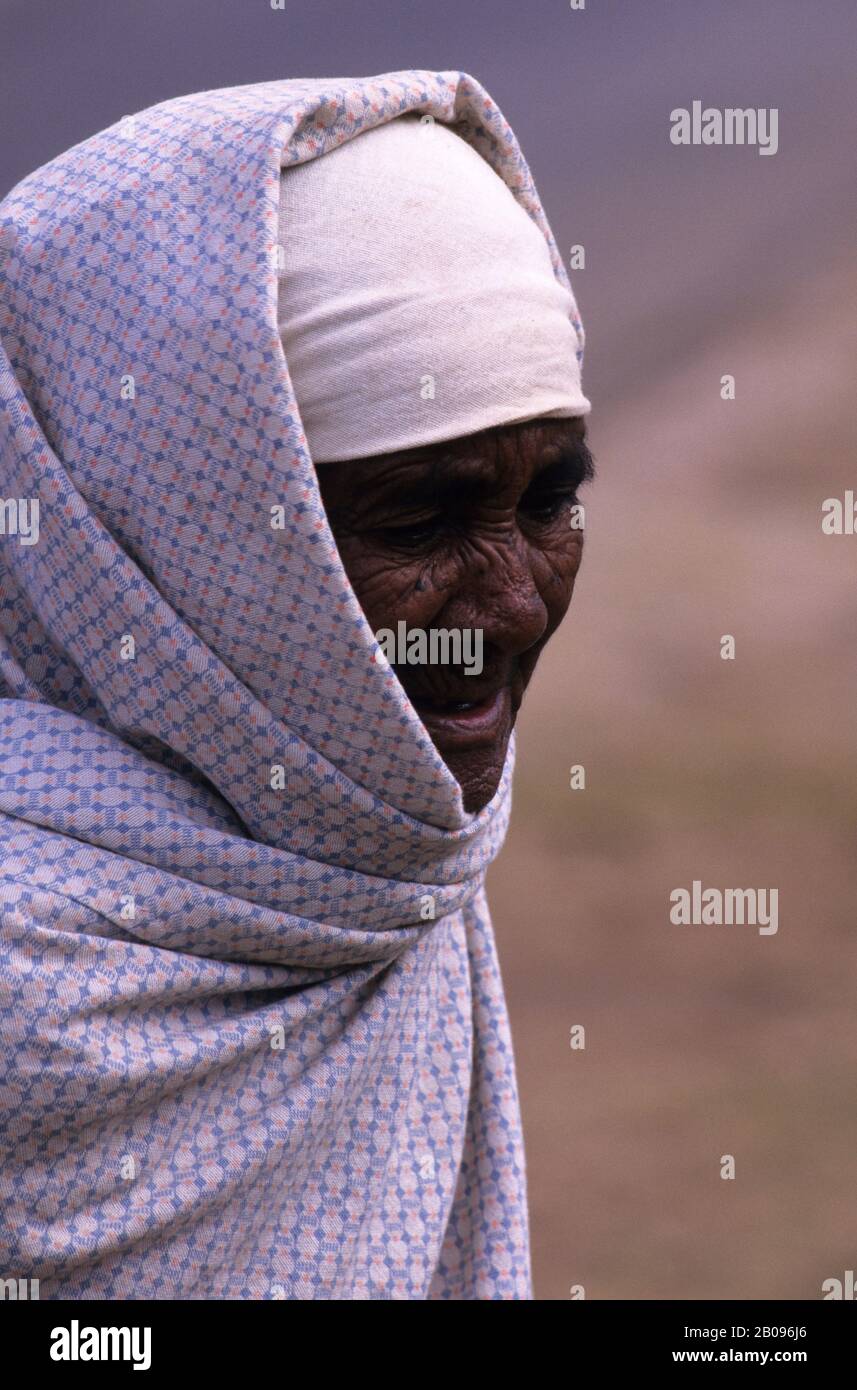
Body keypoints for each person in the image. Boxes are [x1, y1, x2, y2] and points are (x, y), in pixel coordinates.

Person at [0, 69, 591, 1300]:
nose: (519, 600)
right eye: (420, 521)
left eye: (547, 503)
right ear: (163, 539)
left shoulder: (353, 852)